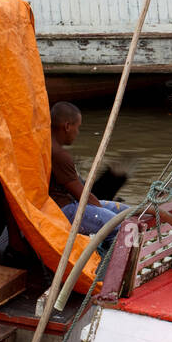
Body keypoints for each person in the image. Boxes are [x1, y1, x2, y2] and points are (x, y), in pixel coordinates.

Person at [50, 101, 126, 245]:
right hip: (65, 209)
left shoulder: (49, 145)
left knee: (127, 212)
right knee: (121, 227)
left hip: (70, 203)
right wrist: (102, 211)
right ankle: (108, 261)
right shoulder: (59, 155)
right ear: (67, 126)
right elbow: (83, 196)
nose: (77, 133)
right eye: (77, 128)